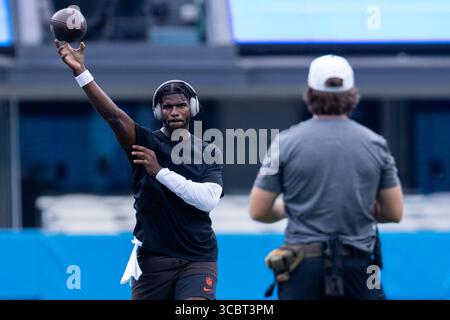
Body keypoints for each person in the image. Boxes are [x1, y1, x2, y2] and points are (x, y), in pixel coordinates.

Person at [54, 40, 223, 300]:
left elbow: (208, 200)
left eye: (181, 105)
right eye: (168, 106)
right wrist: (81, 72)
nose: (174, 111)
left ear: (193, 108)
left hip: (198, 258)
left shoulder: (208, 150)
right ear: (158, 111)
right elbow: (114, 117)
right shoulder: (144, 142)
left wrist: (160, 172)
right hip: (153, 260)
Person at [249, 54, 403, 300]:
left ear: (310, 94)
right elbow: (394, 212)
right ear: (352, 94)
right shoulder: (376, 145)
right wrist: (357, 204)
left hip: (301, 267)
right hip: (362, 267)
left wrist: (296, 207)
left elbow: (259, 210)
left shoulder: (284, 143)